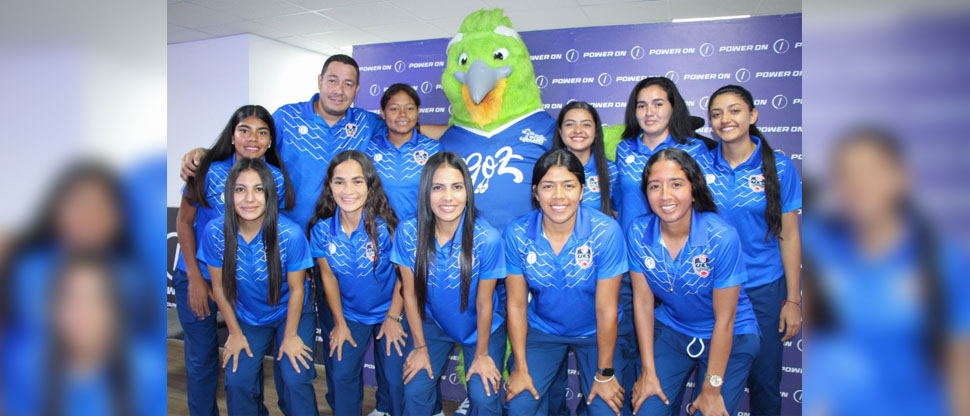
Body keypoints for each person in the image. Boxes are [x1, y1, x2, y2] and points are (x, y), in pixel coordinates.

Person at [180, 54, 387, 411]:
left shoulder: (367, 123)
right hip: (250, 265)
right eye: (333, 80)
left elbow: (406, 125)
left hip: (322, 253)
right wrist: (203, 152)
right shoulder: (286, 118)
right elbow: (248, 137)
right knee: (222, 367)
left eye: (349, 83)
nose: (339, 89)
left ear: (358, 89)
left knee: (301, 363)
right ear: (319, 80)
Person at [804, 128, 970, 416]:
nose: (858, 184)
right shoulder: (817, 246)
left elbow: (960, 365)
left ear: (901, 176)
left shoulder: (943, 261)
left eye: (871, 171)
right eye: (846, 174)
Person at [174, 105, 292, 416]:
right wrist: (196, 280)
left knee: (242, 356)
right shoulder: (208, 170)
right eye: (245, 130)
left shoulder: (275, 179)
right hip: (198, 276)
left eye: (262, 132)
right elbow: (184, 222)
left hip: (240, 282)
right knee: (202, 359)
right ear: (233, 135)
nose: (253, 138)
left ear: (270, 141)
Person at [625, 148, 760, 416]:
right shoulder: (638, 231)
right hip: (673, 330)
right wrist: (648, 372)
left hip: (729, 335)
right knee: (648, 409)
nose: (665, 195)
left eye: (676, 184)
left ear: (694, 189)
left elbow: (725, 320)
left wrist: (712, 388)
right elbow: (642, 302)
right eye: (655, 186)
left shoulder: (721, 237)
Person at [504, 149, 628, 415]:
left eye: (568, 186)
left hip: (596, 333)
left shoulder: (605, 232)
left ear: (582, 191)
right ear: (536, 192)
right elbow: (515, 305)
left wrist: (605, 373)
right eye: (548, 186)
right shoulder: (517, 234)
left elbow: (606, 308)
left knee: (607, 410)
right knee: (519, 405)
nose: (558, 196)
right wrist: (521, 368)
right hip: (543, 330)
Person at [704, 85, 802, 415]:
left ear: (752, 115)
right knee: (712, 381)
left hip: (763, 289)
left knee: (765, 383)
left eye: (734, 110)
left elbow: (788, 234)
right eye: (716, 114)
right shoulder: (701, 165)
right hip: (712, 288)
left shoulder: (779, 167)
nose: (724, 119)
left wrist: (792, 299)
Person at [198, 158, 317, 415]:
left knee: (295, 377)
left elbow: (298, 289)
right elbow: (219, 288)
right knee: (237, 380)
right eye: (240, 189)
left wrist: (292, 336)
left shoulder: (290, 234)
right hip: (249, 316)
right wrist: (234, 333)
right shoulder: (214, 232)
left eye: (259, 189)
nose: (249, 198)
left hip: (291, 313)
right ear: (229, 194)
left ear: (270, 194)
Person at [391, 152, 507, 415]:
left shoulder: (487, 238)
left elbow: (484, 302)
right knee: (415, 388)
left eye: (456, 187)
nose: (447, 197)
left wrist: (481, 355)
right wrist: (420, 347)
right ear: (426, 192)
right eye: (438, 187)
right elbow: (409, 294)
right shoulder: (408, 231)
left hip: (479, 327)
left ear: (467, 191)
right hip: (433, 322)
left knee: (484, 395)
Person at [308, 150, 406, 416]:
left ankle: (386, 408)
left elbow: (403, 278)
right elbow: (327, 277)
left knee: (396, 379)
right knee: (340, 375)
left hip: (391, 310)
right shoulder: (320, 231)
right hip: (351, 316)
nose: (347, 190)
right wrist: (339, 323)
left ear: (370, 185)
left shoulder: (387, 228)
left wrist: (394, 318)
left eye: (357, 181)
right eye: (339, 181)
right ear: (330, 186)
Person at [614, 77, 712, 231]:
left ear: (673, 108)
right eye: (641, 106)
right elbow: (618, 202)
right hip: (631, 244)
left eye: (658, 104)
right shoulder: (624, 149)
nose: (649, 113)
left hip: (677, 246)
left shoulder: (694, 149)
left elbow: (704, 202)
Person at [366, 83, 442, 221]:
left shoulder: (433, 149)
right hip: (379, 235)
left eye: (409, 108)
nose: (402, 114)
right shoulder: (369, 149)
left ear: (418, 111)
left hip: (419, 234)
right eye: (394, 109)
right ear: (382, 113)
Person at [553, 101, 620, 216]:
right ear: (560, 131)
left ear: (595, 132)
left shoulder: (611, 171)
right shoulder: (547, 169)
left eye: (586, 125)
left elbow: (617, 213)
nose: (578, 130)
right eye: (570, 124)